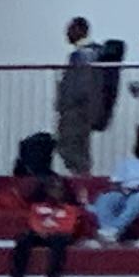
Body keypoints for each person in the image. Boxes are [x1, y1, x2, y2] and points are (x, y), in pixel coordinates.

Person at [53, 16, 117, 173]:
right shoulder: (92, 53)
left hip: (76, 109)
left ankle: (82, 178)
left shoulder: (82, 54)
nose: (67, 33)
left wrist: (69, 102)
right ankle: (83, 177)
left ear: (81, 30)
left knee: (69, 146)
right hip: (83, 109)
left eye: (70, 29)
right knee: (78, 147)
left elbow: (83, 84)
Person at [12, 175, 87, 277]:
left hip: (59, 235)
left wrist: (52, 231)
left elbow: (68, 225)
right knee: (23, 238)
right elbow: (33, 221)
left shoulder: (69, 209)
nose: (55, 192)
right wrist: (40, 230)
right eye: (52, 188)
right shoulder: (37, 206)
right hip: (40, 234)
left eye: (58, 189)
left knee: (60, 240)